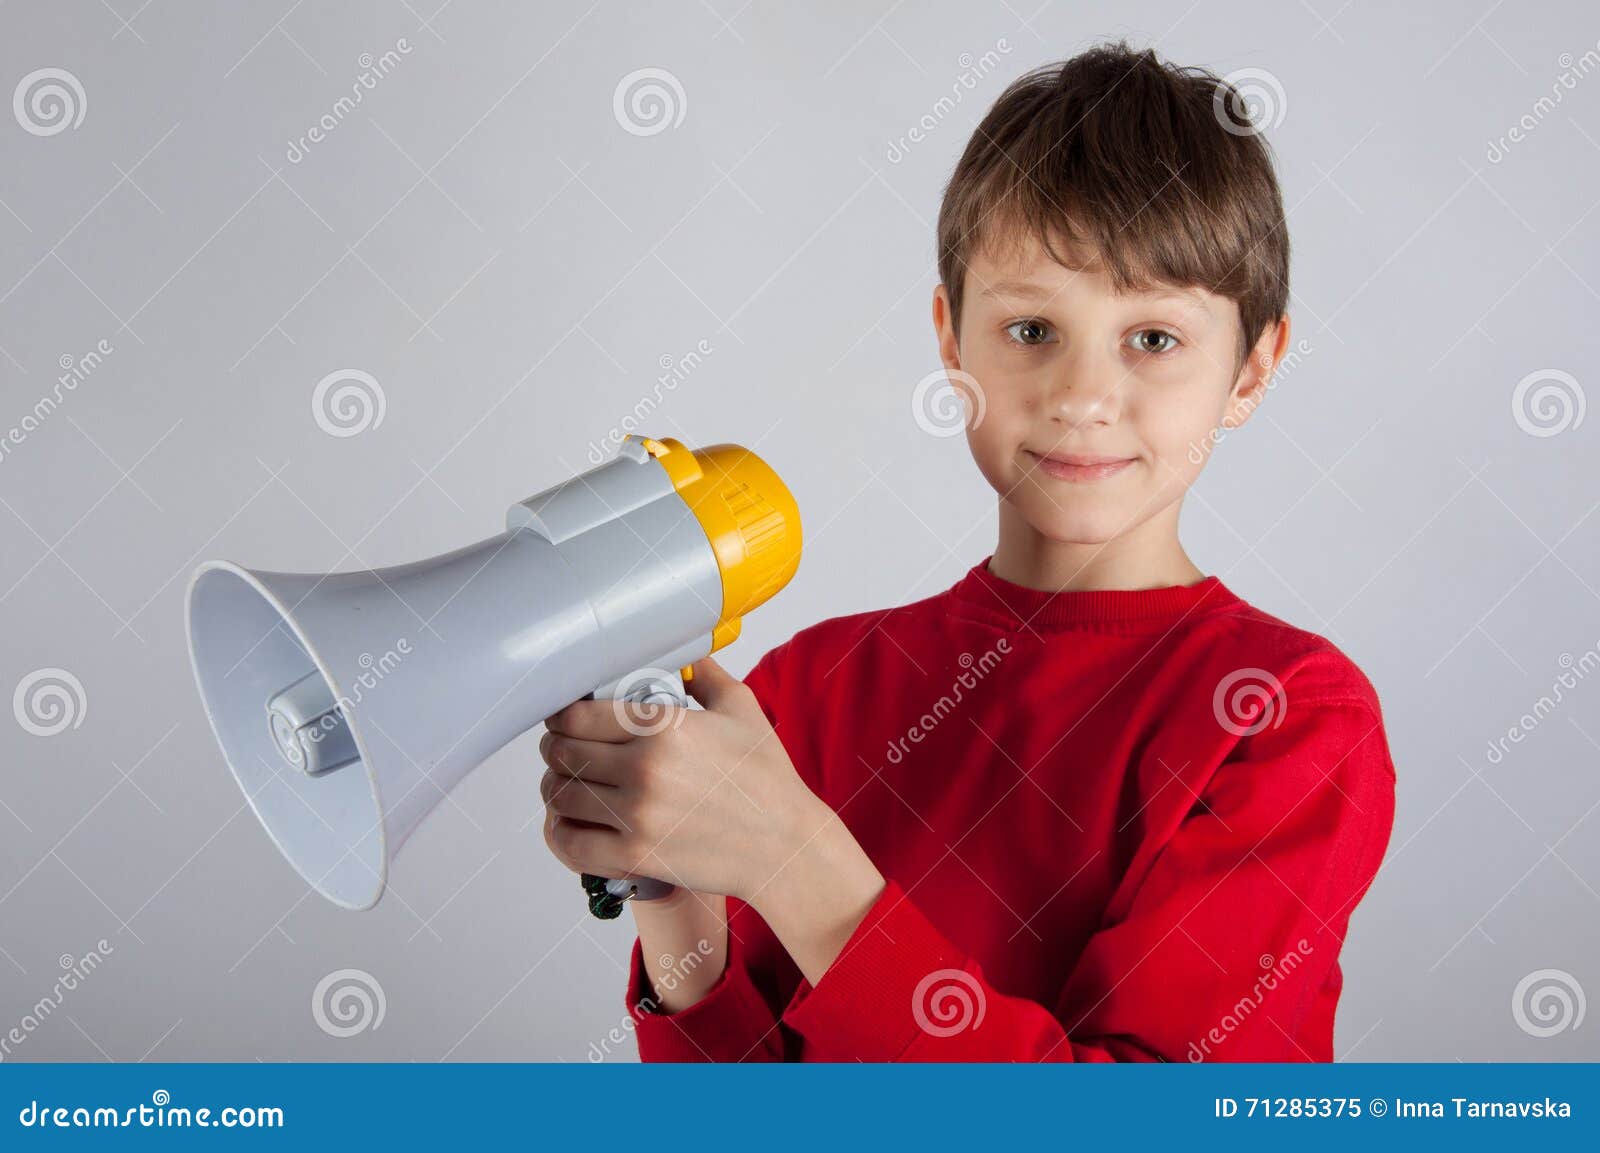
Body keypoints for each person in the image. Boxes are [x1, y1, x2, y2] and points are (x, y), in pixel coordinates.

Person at [538, 41, 1396, 1062]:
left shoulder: (1285, 716)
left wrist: (789, 855)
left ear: (1251, 370)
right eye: (1031, 329)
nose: (1081, 395)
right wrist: (670, 885)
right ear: (952, 341)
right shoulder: (806, 691)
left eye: (1154, 339)